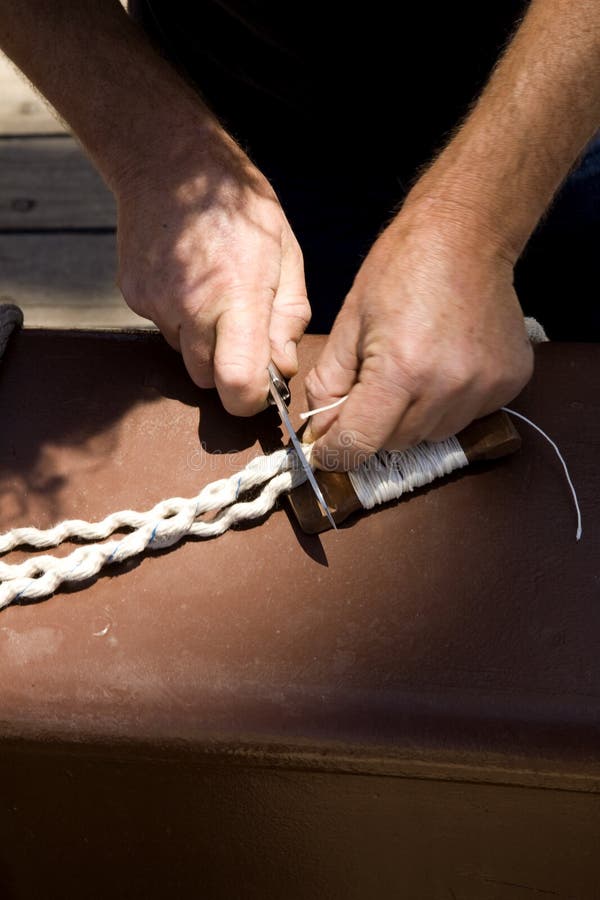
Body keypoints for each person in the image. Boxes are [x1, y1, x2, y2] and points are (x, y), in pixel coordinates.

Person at [1, 1, 599, 469]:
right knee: (323, 380)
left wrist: (476, 225)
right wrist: (164, 156)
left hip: (565, 97)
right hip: (231, 109)